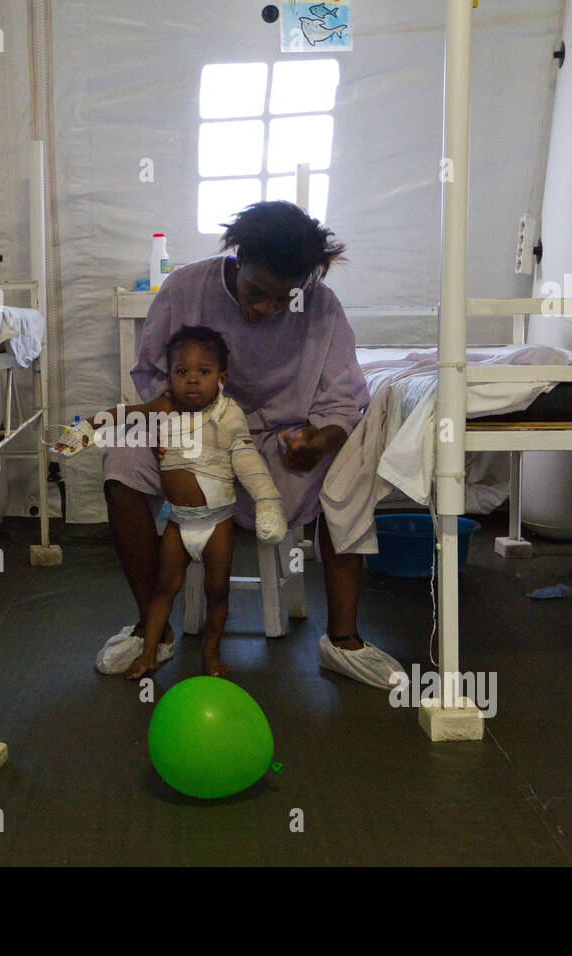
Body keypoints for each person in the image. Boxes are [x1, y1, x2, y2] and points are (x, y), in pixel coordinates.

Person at [99, 200, 404, 687]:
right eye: (257, 292)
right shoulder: (185, 289)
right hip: (194, 436)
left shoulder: (320, 306)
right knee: (122, 460)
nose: (265, 309)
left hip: (277, 451)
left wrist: (317, 441)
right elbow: (154, 376)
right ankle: (150, 631)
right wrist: (172, 425)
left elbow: (343, 404)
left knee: (354, 458)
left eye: (284, 299)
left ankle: (343, 639)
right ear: (237, 257)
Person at [58, 325, 287, 678]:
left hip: (217, 522)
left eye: (204, 372)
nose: (193, 381)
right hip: (179, 522)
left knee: (217, 591)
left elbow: (247, 460)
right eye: (183, 372)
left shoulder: (228, 415)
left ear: (221, 377)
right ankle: (150, 652)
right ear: (169, 376)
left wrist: (267, 502)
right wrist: (83, 432)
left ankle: (211, 655)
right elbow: (121, 414)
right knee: (164, 589)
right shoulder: (164, 407)